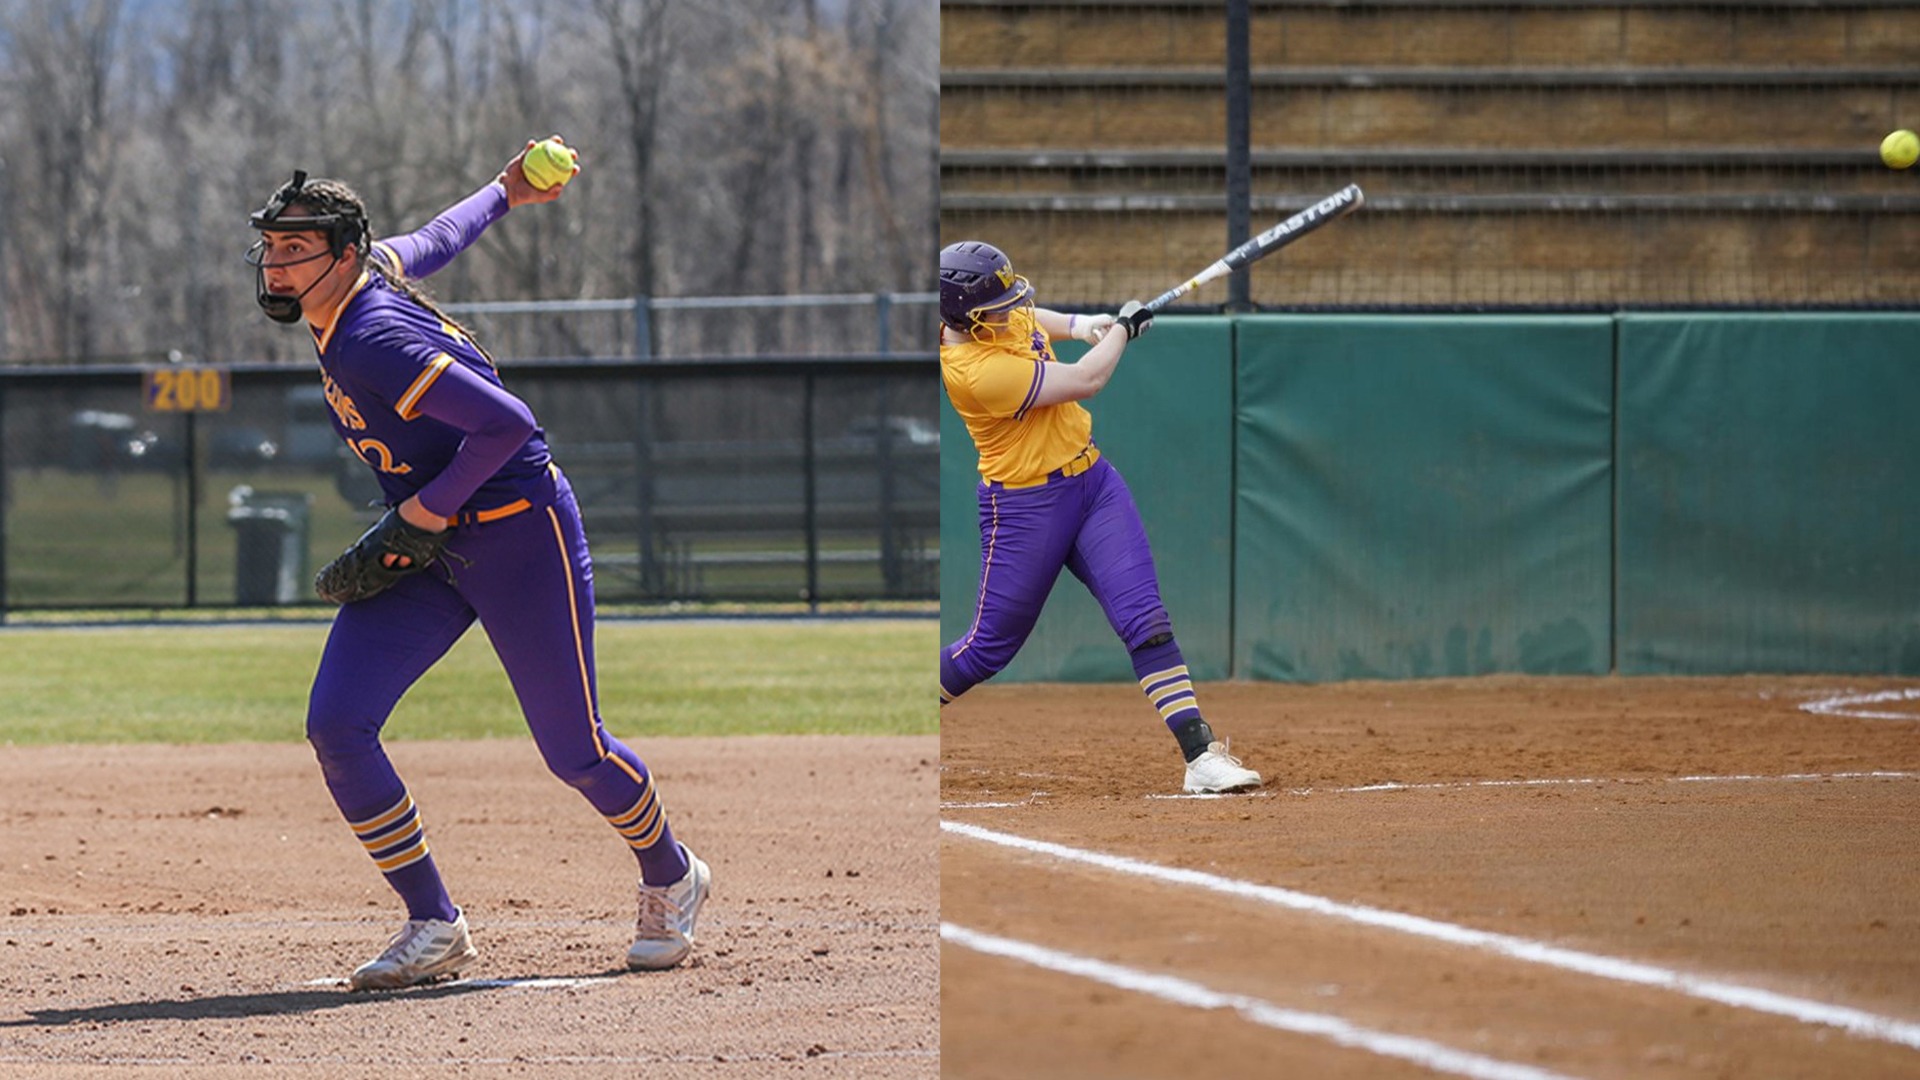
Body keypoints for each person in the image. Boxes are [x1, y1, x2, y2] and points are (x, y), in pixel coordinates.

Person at [244, 139, 709, 990]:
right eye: (272, 247)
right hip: (432, 547)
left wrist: (419, 512)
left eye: (296, 250)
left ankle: (672, 874)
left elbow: (510, 427)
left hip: (518, 535)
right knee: (339, 725)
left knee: (575, 751)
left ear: (341, 257)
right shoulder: (366, 277)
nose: (277, 265)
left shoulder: (372, 337)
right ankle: (434, 923)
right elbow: (438, 237)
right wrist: (503, 191)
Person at [936, 241, 1263, 795]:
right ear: (968, 317)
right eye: (998, 304)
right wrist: (1121, 332)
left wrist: (1083, 322)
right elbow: (1086, 380)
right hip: (1022, 509)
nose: (1011, 308)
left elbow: (1025, 316)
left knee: (1146, 619)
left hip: (1093, 487)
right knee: (986, 649)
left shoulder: (993, 318)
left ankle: (1200, 755)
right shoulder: (972, 370)